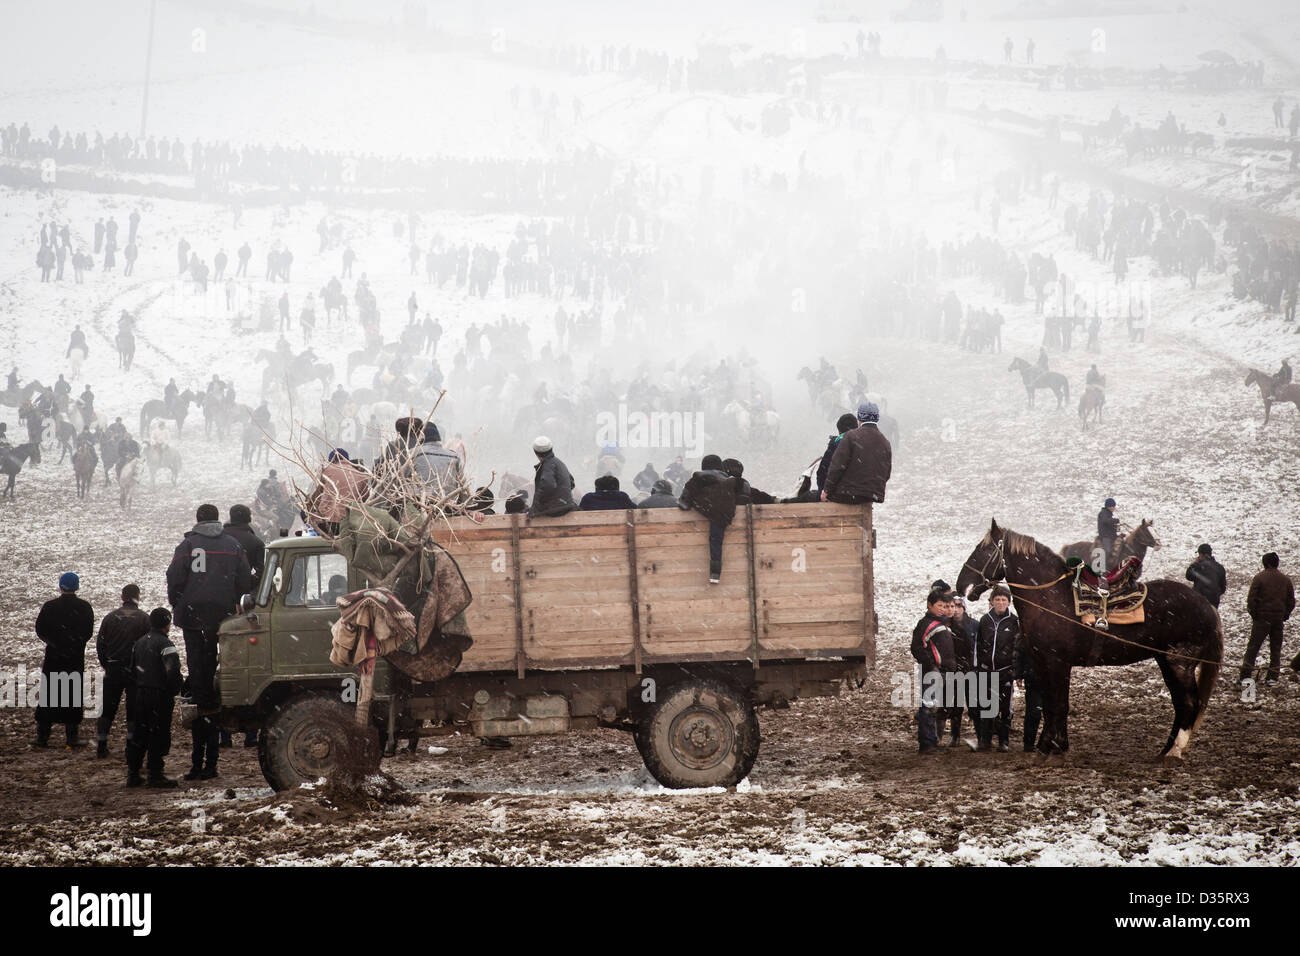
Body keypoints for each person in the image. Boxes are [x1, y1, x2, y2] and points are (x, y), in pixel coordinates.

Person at [166, 504, 253, 780]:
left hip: (192, 618)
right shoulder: (233, 545)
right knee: (227, 666)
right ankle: (222, 703)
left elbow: (174, 577)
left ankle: (202, 706)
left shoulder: (188, 545)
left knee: (198, 670)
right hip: (225, 618)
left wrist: (179, 602)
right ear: (218, 519)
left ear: (198, 520)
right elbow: (244, 579)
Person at [33, 572, 95, 749]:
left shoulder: (50, 606)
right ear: (77, 587)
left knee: (49, 695)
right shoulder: (84, 607)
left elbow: (40, 629)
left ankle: (43, 736)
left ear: (61, 586)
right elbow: (87, 632)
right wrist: (73, 644)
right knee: (72, 695)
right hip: (74, 658)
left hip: (54, 657)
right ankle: (71, 737)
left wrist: (54, 642)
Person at [125, 607, 183, 788]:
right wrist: (174, 689)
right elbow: (172, 672)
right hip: (159, 695)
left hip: (140, 693)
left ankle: (133, 773)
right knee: (158, 733)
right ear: (167, 623)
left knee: (139, 733)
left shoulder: (140, 643)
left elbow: (132, 670)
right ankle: (155, 773)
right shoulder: (166, 645)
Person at [94, 583, 150, 758]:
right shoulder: (143, 618)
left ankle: (102, 743)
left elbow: (100, 644)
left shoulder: (110, 617)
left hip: (114, 667)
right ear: (138, 597)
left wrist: (107, 663)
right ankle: (130, 743)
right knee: (134, 708)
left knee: (108, 707)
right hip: (135, 670)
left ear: (122, 597)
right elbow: (147, 645)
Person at [677, 454, 737, 585]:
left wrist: (696, 505)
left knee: (715, 541)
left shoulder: (697, 478)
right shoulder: (729, 480)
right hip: (725, 513)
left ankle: (715, 574)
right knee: (716, 541)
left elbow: (684, 503)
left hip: (709, 509)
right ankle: (715, 573)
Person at [911, 588, 956, 755]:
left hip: (941, 672)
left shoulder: (941, 623)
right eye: (939, 605)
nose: (942, 609)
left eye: (945, 606)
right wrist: (931, 666)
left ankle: (932, 741)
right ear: (929, 605)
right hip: (932, 672)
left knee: (934, 707)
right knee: (928, 707)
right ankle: (926, 744)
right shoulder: (926, 624)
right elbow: (916, 647)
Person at [821, 401, 893, 504]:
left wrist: (826, 490)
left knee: (811, 497)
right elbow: (887, 473)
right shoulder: (885, 442)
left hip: (847, 494)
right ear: (877, 418)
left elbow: (837, 466)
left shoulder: (851, 436)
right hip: (873, 496)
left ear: (860, 418)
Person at [1241, 552, 1295, 685]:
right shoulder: (1285, 580)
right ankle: (1272, 677)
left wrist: (1255, 615)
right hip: (1278, 619)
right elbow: (1291, 601)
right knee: (1276, 649)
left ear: (1265, 563)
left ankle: (1246, 676)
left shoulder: (1259, 578)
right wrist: (1284, 615)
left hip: (1262, 618)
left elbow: (1251, 600)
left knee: (1253, 648)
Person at [977, 586, 1020, 752]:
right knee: (987, 704)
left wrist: (1015, 670)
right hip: (987, 670)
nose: (1000, 603)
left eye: (1003, 600)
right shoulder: (985, 620)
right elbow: (979, 645)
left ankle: (1004, 740)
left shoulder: (1014, 621)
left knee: (1005, 706)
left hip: (1005, 670)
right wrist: (980, 665)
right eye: (997, 599)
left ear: (1009, 602)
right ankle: (985, 740)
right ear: (991, 602)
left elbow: (1018, 647)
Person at [946, 597, 979, 748]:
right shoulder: (946, 625)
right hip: (954, 669)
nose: (956, 609)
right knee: (956, 705)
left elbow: (980, 646)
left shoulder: (974, 625)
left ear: (964, 608)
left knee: (974, 704)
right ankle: (955, 735)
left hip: (971, 669)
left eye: (959, 606)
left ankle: (979, 735)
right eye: (953, 606)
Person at [527, 436, 576, 518]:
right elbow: (571, 483)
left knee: (527, 513)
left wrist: (535, 508)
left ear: (536, 453)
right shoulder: (559, 463)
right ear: (551, 449)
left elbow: (548, 485)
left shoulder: (548, 465)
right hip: (567, 505)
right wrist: (562, 499)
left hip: (555, 509)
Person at [223, 504, 266, 586]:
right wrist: (248, 583)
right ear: (249, 519)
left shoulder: (219, 537)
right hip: (241, 589)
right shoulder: (256, 542)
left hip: (217, 588)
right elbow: (260, 572)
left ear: (231, 518)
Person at [1185, 543, 1227, 608]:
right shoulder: (1220, 567)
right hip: (1214, 601)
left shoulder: (1199, 566)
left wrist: (1194, 563)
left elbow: (1188, 576)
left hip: (1199, 600)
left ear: (1201, 554)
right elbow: (1223, 588)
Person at [1097, 497, 1120, 570]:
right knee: (1108, 550)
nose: (1114, 508)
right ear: (1108, 506)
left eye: (1114, 506)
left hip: (1111, 537)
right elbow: (1105, 521)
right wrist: (1115, 520)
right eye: (1112, 506)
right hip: (1105, 537)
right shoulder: (1103, 513)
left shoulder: (1109, 514)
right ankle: (1101, 565)